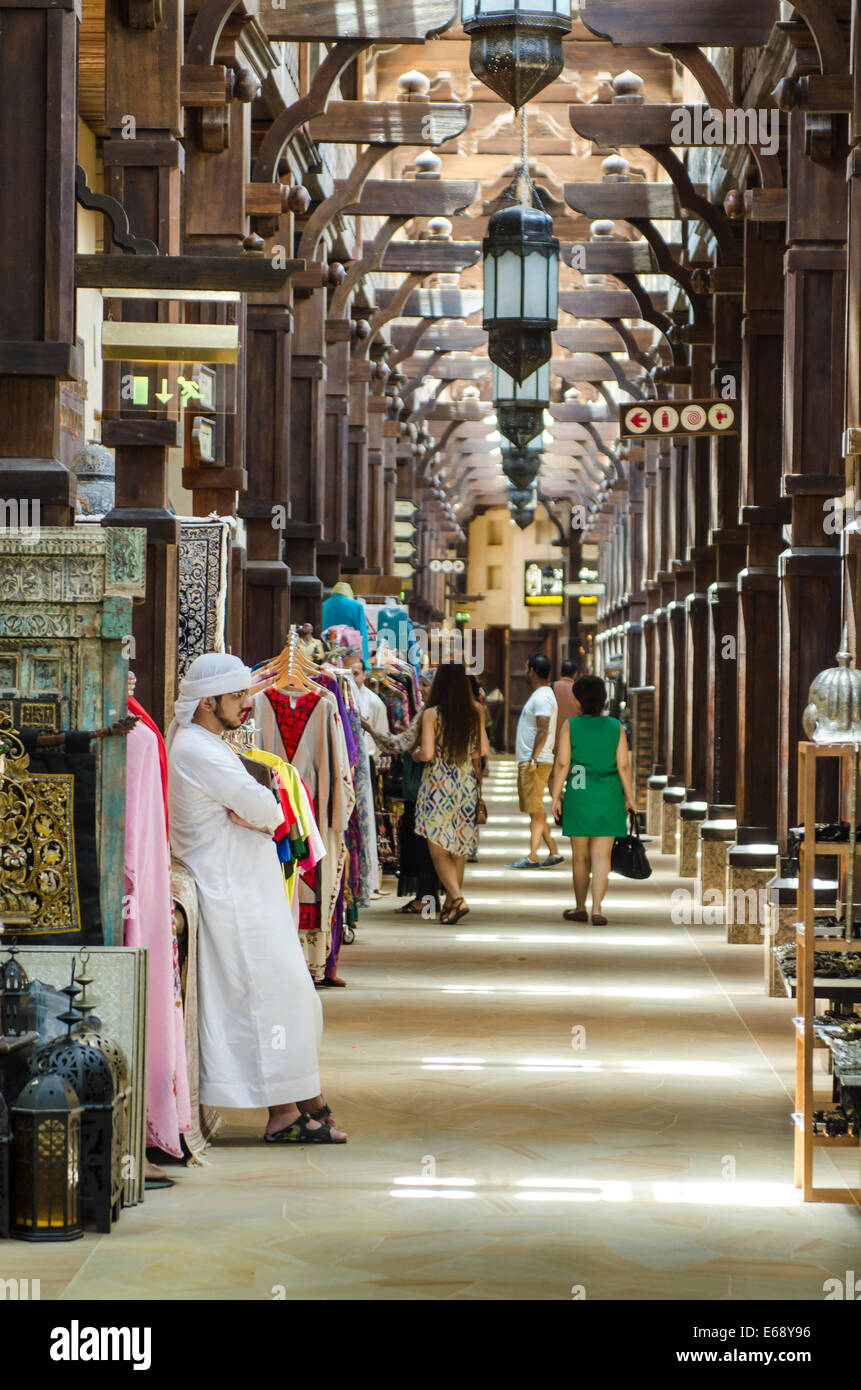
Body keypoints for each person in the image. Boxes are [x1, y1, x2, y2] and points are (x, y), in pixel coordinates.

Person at [166, 652, 347, 1145]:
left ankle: (300, 1104)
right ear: (209, 703)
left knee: (284, 1000)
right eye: (237, 697)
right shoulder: (198, 750)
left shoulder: (205, 743)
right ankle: (288, 1112)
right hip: (232, 895)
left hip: (244, 890)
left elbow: (266, 810)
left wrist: (261, 812)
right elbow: (267, 807)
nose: (247, 704)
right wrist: (262, 812)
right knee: (273, 1002)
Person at [548, 674, 637, 926]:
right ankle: (597, 909)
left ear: (578, 700)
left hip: (579, 791)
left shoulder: (570, 726)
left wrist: (555, 796)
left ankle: (579, 907)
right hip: (609, 794)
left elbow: (563, 763)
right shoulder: (614, 727)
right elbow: (624, 765)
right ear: (603, 699)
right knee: (602, 857)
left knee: (580, 857)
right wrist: (630, 798)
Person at [412, 663, 489, 924]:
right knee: (458, 846)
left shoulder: (432, 714)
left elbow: (428, 753)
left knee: (437, 846)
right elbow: (482, 750)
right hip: (465, 783)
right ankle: (449, 905)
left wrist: (416, 754)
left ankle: (457, 898)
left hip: (438, 784)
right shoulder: (476, 711)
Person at [362, 668, 442, 915]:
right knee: (430, 846)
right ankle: (430, 899)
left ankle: (425, 900)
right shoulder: (448, 712)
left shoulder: (428, 714)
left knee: (420, 845)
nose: (421, 690)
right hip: (437, 789)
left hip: (420, 789)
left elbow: (403, 743)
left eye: (426, 686)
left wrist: (372, 731)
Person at [507, 653, 563, 869]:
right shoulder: (542, 694)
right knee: (535, 808)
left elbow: (543, 728)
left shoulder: (542, 697)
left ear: (531, 669)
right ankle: (554, 852)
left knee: (535, 809)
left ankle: (532, 856)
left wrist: (533, 757)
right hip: (535, 759)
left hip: (536, 761)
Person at [351, 658, 388, 762]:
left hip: (367, 758)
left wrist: (371, 758)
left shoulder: (375, 702)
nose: (351, 678)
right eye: (348, 674)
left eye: (356, 674)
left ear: (364, 675)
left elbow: (382, 734)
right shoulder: (337, 699)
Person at [552, 658, 580, 755]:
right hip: (574, 737)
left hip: (553, 738)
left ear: (560, 672)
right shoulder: (579, 689)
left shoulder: (551, 687)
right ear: (575, 673)